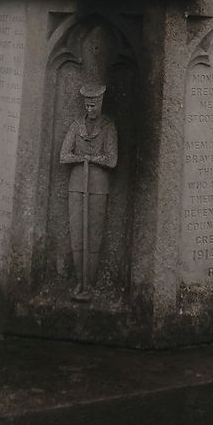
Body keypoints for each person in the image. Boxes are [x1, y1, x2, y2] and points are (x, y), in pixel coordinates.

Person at [60, 83, 118, 300]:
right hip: (77, 183)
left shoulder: (108, 126)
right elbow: (63, 155)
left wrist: (91, 158)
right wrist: (81, 158)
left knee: (94, 235)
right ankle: (79, 280)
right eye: (87, 105)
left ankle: (90, 282)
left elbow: (112, 160)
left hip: (98, 186)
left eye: (94, 105)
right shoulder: (76, 125)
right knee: (77, 233)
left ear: (100, 103)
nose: (90, 109)